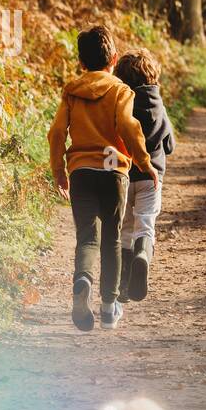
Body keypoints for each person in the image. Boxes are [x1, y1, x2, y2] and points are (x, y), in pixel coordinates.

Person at [46, 26, 158, 331]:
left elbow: (56, 132)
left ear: (81, 62)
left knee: (87, 237)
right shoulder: (121, 90)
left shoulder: (71, 90)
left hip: (81, 171)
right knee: (111, 237)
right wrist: (145, 163)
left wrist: (59, 170)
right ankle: (109, 309)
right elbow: (127, 126)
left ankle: (82, 281)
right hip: (113, 172)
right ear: (114, 58)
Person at [114, 48, 175, 302]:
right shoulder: (158, 104)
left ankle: (124, 283)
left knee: (125, 227)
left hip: (125, 174)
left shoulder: (121, 103)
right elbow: (170, 144)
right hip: (152, 177)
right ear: (152, 76)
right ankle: (143, 255)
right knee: (145, 223)